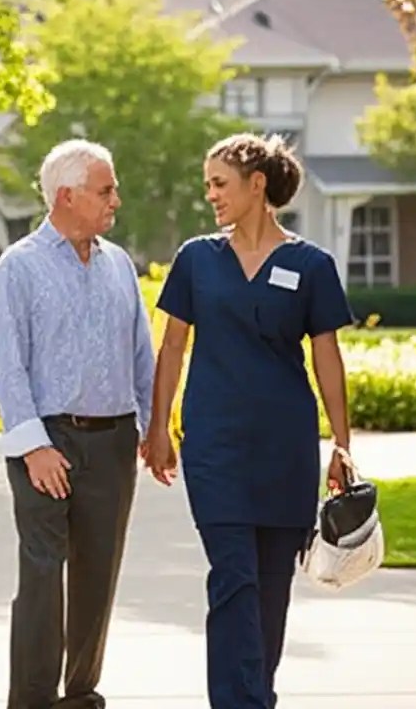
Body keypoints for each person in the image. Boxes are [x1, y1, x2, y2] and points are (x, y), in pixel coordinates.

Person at [143, 132, 355, 708]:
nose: (211, 194)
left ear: (256, 185)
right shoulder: (196, 259)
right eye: (208, 183)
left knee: (271, 589)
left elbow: (327, 357)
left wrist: (343, 444)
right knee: (232, 578)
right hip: (215, 446)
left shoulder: (310, 265)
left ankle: (257, 694)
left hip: (285, 447)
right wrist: (158, 426)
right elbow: (172, 349)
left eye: (220, 183)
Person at [0, 138, 155, 709]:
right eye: (105, 190)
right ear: (66, 196)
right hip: (46, 442)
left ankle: (80, 695)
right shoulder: (19, 267)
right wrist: (34, 446)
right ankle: (32, 700)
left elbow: (140, 356)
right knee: (41, 571)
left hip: (113, 443)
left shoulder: (119, 265)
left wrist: (153, 430)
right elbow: (7, 366)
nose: (116, 200)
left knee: (97, 574)